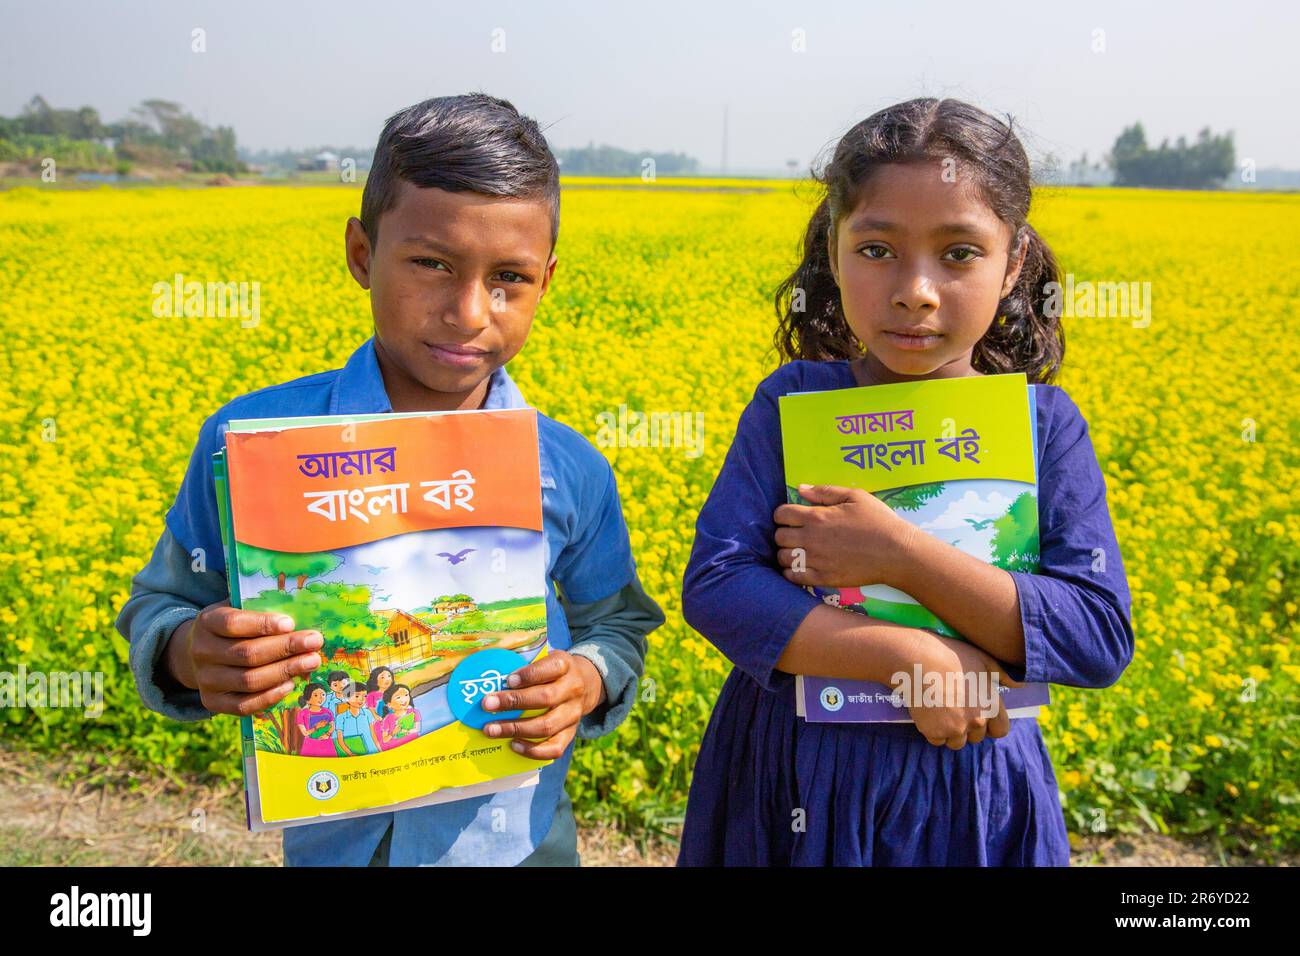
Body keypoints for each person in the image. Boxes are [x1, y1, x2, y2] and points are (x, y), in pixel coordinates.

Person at [115, 92, 665, 867]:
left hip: (517, 849)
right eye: (432, 264)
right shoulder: (251, 449)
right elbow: (162, 604)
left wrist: (586, 680)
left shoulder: (567, 469)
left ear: (548, 280)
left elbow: (620, 627)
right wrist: (186, 652)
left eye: (509, 278)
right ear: (362, 255)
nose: (471, 311)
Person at [677, 98, 1135, 866]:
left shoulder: (1045, 426)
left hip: (969, 783)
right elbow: (719, 586)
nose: (915, 290)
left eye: (959, 254)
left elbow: (1095, 637)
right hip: (798, 775)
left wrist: (898, 552)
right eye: (878, 250)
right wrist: (911, 657)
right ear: (834, 248)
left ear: (1013, 260)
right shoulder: (792, 404)